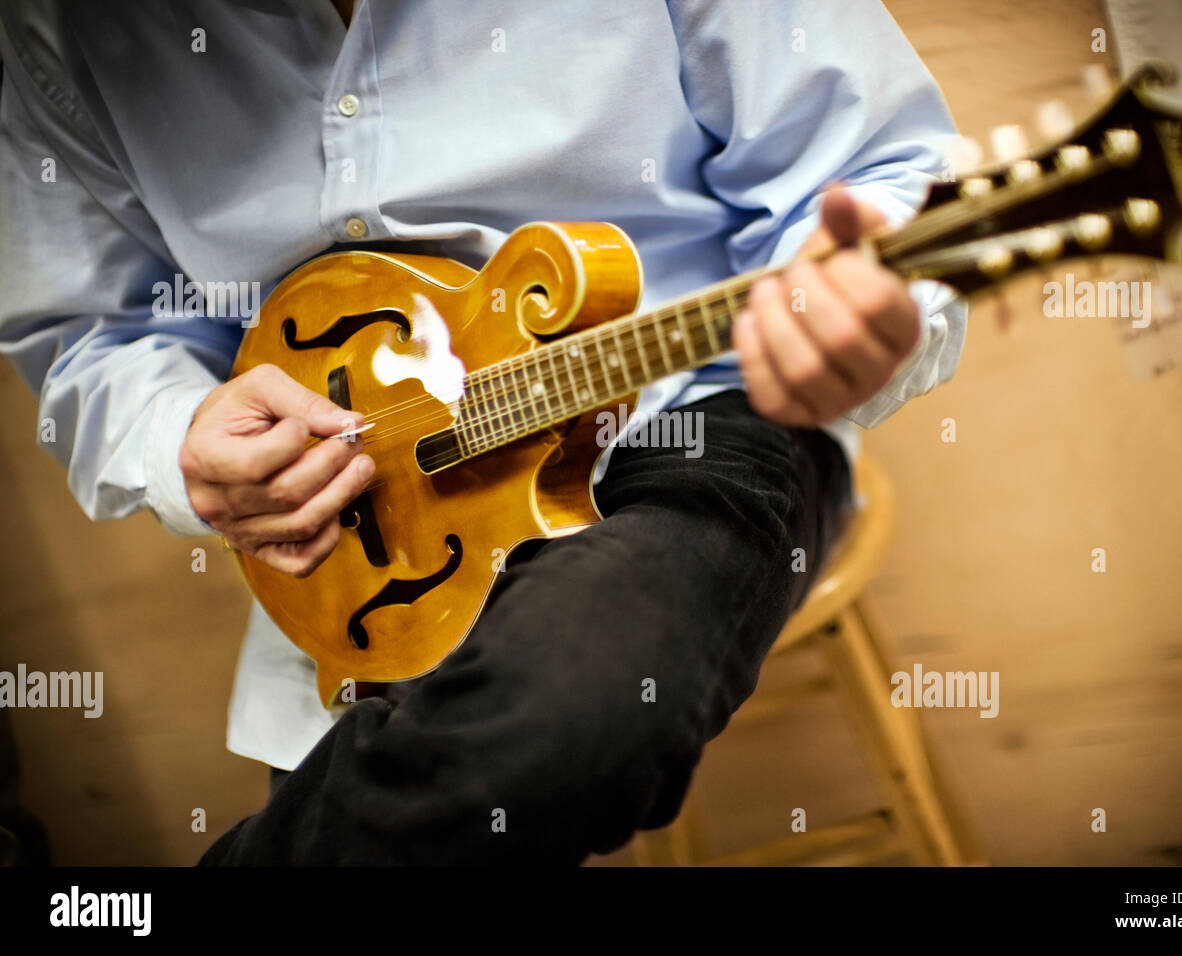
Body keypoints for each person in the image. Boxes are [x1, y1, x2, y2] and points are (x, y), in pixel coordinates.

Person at [0, 0, 965, 863]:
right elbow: (96, 334)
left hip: (688, 409)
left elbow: (877, 165)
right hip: (366, 527)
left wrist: (854, 300)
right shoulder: (57, 23)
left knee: (565, 720)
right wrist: (178, 434)